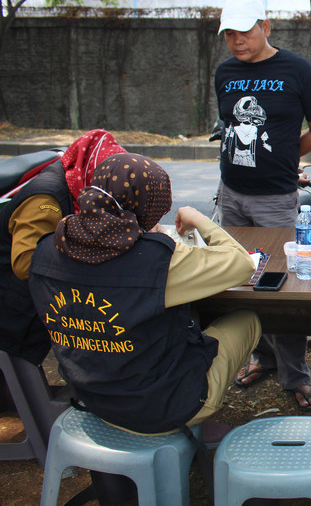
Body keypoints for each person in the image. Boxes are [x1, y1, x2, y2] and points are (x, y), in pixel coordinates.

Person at [27, 153, 261, 434]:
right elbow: (243, 264)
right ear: (145, 209)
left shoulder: (45, 250)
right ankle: (197, 413)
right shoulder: (157, 261)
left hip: (93, 399)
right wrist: (198, 219)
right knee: (247, 320)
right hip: (163, 408)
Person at [214, 0, 311, 409]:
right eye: (229, 33)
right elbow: (228, 127)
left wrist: (285, 156)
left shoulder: (297, 69)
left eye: (244, 30)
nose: (237, 40)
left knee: (283, 287)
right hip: (232, 195)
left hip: (276, 199)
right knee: (245, 281)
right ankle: (263, 357)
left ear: (266, 26)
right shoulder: (225, 72)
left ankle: (296, 375)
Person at [0, 129, 125, 365]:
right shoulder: (45, 201)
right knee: (17, 379)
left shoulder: (75, 181)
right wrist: (89, 251)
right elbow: (26, 264)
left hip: (32, 300)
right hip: (14, 304)